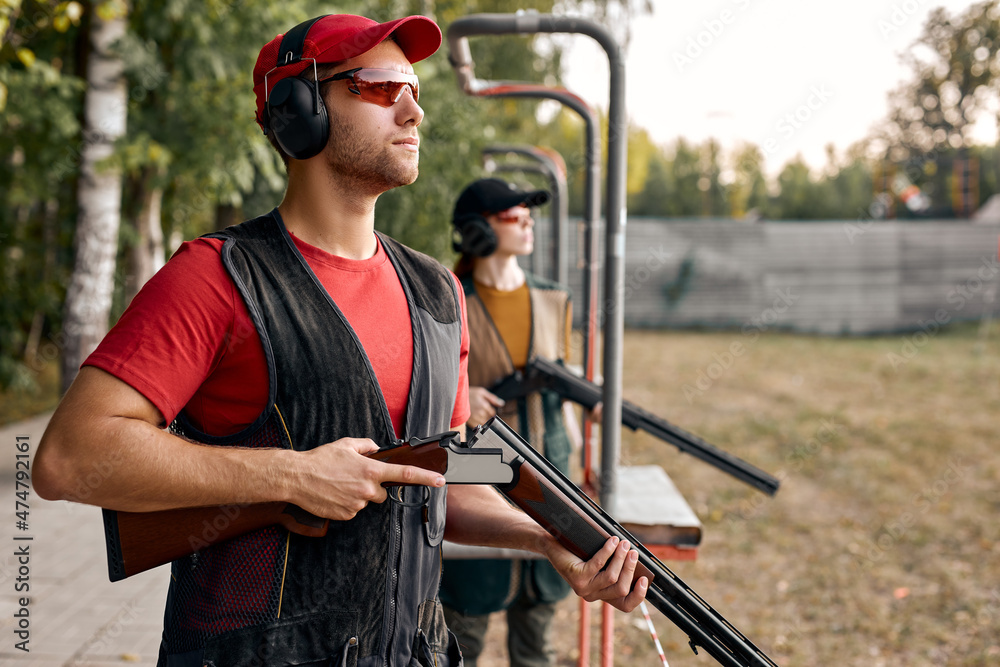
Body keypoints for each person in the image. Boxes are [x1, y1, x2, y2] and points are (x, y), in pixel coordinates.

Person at [32, 14, 647, 667]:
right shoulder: (216, 277)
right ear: (300, 109)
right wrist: (292, 474)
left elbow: (442, 471)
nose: (413, 112)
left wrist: (543, 534)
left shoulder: (438, 292)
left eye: (416, 90)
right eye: (382, 87)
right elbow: (69, 457)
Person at [440, 178, 581, 667]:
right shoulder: (446, 299)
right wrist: (460, 400)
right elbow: (422, 397)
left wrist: (587, 462)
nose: (528, 223)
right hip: (476, 480)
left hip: (551, 481)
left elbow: (566, 401)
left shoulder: (554, 299)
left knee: (536, 644)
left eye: (529, 214)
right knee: (462, 638)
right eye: (513, 215)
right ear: (477, 230)